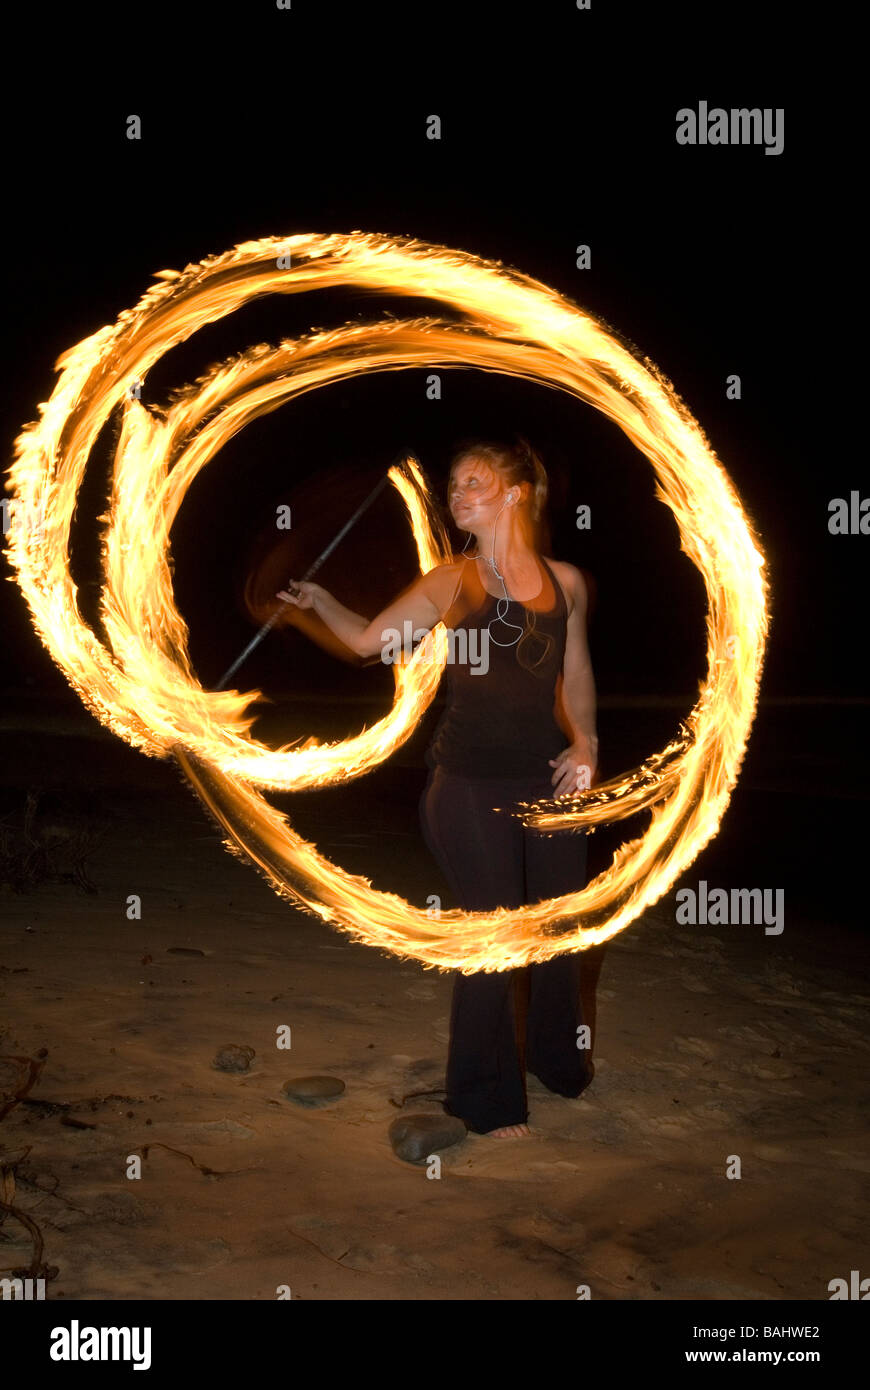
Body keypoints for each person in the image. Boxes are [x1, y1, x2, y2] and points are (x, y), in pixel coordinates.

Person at [277, 436, 598, 1138]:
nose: (457, 495)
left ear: (515, 493)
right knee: (493, 934)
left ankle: (557, 1063)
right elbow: (370, 642)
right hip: (467, 786)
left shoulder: (566, 583)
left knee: (557, 933)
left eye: (473, 482)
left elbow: (573, 675)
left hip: (547, 779)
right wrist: (321, 602)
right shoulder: (454, 582)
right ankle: (483, 1096)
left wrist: (586, 742)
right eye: (453, 485)